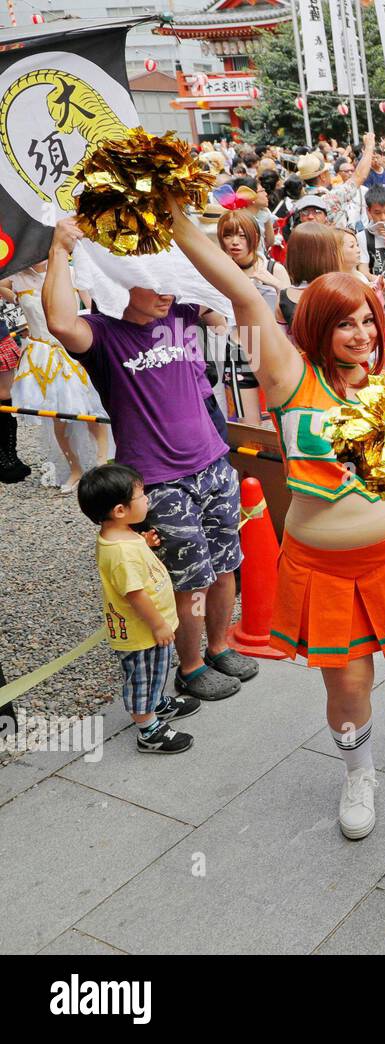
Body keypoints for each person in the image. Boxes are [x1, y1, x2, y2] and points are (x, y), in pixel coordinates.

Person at [164, 186, 385, 842]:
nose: (358, 334)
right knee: (347, 687)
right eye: (343, 322)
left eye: (366, 321)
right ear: (318, 325)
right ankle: (359, 773)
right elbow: (243, 297)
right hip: (322, 565)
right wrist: (178, 223)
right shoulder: (288, 378)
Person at [44, 219, 253, 702]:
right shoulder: (103, 335)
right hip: (159, 480)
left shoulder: (180, 314)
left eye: (167, 282)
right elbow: (58, 321)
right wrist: (60, 248)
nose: (164, 293)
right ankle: (192, 665)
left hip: (213, 462)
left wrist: (174, 218)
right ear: (118, 281)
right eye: (152, 283)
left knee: (225, 565)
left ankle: (219, 646)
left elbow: (221, 280)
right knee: (190, 575)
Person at [78, 462, 202, 754]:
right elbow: (135, 594)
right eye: (141, 495)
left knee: (156, 672)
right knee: (142, 677)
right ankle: (148, 729)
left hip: (149, 627)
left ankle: (157, 702)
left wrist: (143, 543)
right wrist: (159, 624)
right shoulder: (121, 553)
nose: (147, 499)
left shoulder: (123, 535)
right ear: (120, 510)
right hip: (143, 631)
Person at [4, 261, 110, 491]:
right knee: (58, 416)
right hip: (42, 356)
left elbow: (92, 308)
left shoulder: (70, 271)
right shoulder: (15, 277)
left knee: (93, 407)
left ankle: (103, 464)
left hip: (75, 350)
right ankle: (75, 469)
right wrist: (14, 298)